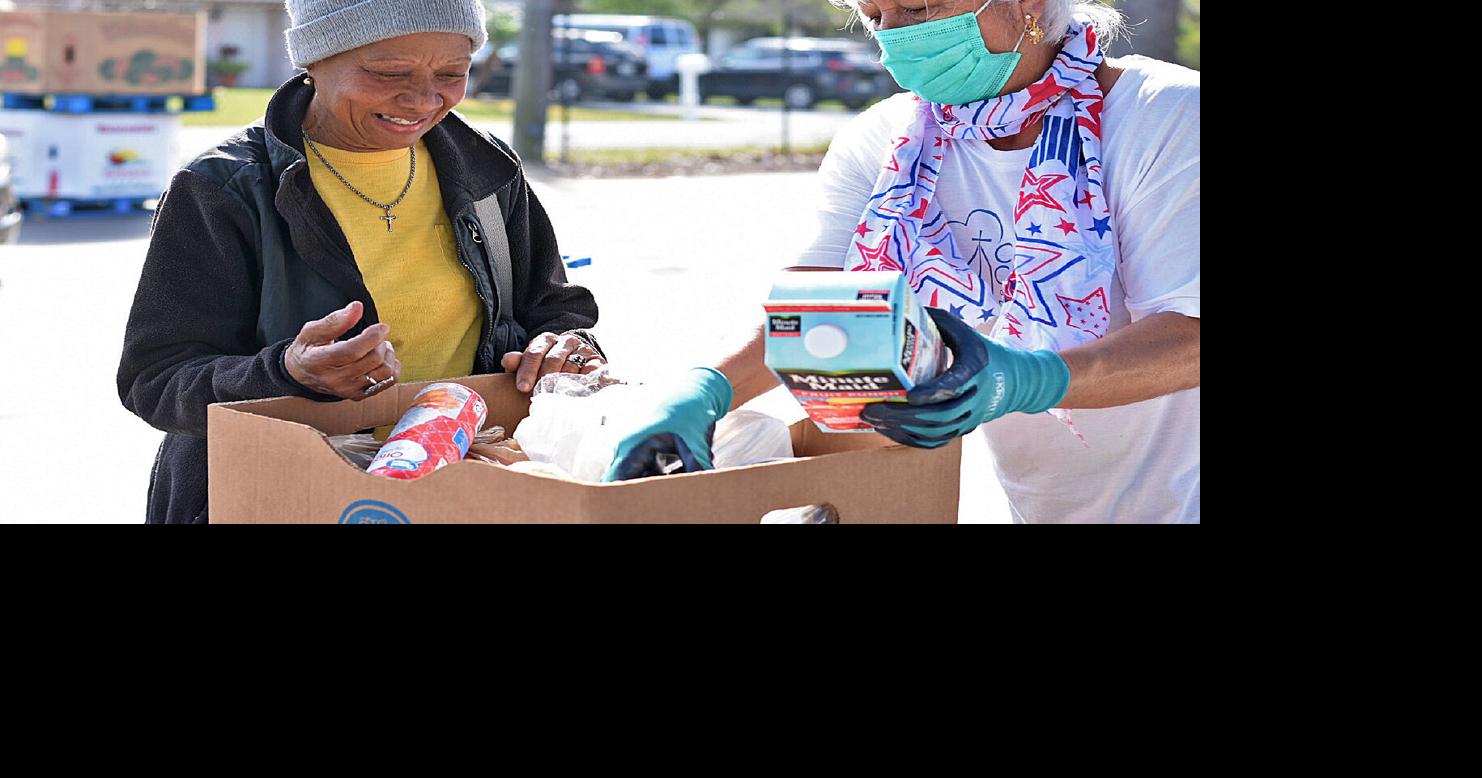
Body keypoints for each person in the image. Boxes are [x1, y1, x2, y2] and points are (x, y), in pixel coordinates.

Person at [604, 0, 1200, 523]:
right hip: (1046, 499)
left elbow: (1190, 335)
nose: (894, 37)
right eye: (875, 16)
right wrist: (703, 391)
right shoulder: (888, 140)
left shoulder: (1167, 116)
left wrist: (1026, 379)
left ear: (1029, 4)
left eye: (917, 9)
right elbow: (810, 310)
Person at [117, 0, 605, 523]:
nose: (424, 99)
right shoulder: (223, 188)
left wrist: (564, 348)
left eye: (451, 74)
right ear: (314, 59)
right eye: (389, 72)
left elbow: (554, 310)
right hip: (281, 496)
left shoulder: (486, 169)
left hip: (463, 492)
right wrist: (286, 372)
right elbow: (157, 379)